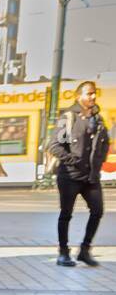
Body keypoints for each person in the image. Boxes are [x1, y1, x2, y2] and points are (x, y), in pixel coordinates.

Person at [48, 80, 108, 267]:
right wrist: (73, 160)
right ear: (78, 96)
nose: (93, 96)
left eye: (94, 93)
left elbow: (105, 143)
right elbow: (55, 146)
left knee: (97, 211)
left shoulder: (97, 119)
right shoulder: (69, 117)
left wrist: (98, 161)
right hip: (70, 176)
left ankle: (84, 249)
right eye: (89, 93)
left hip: (91, 177)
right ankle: (63, 252)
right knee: (66, 214)